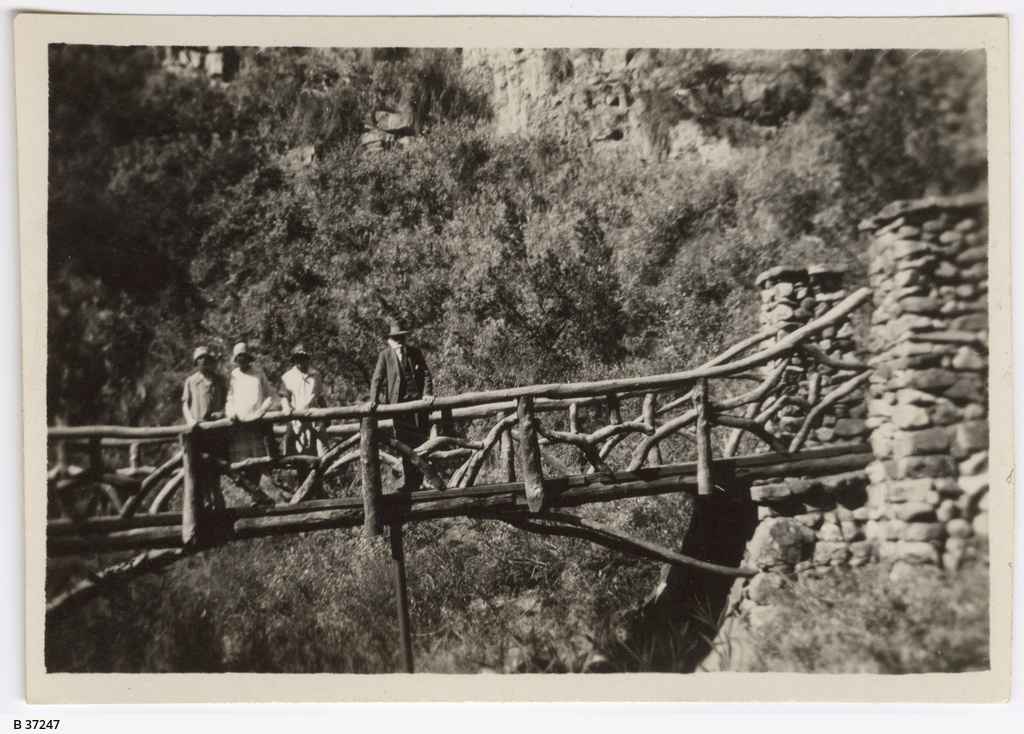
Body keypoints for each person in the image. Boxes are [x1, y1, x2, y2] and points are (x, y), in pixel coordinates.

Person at [367, 319, 435, 492]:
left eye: (402, 337)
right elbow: (377, 378)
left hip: (418, 406)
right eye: (395, 338)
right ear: (391, 338)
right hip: (398, 408)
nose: (399, 341)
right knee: (404, 444)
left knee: (420, 442)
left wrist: (427, 394)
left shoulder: (414, 353)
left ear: (405, 338)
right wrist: (373, 399)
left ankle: (419, 483)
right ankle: (410, 484)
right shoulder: (385, 355)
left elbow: (426, 374)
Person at [225, 342, 287, 506]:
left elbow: (269, 395)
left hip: (256, 421)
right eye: (239, 357)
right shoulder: (233, 375)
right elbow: (230, 398)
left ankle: (256, 497)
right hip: (240, 425)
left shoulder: (258, 373)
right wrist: (231, 413)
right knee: (243, 460)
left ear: (249, 357)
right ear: (236, 359)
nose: (242, 359)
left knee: (258, 458)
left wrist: (263, 410)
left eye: (244, 356)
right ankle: (256, 493)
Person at [181, 345, 228, 510]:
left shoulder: (220, 380)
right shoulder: (191, 381)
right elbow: (185, 404)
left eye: (207, 359)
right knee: (199, 466)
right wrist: (190, 421)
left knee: (215, 466)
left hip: (216, 431)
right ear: (196, 362)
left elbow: (227, 401)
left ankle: (217, 498)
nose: (204, 362)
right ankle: (206, 500)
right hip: (198, 430)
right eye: (201, 359)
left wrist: (222, 412)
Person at [279, 344, 329, 485]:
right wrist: (287, 407)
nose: (301, 362)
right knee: (300, 457)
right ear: (294, 361)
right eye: (298, 359)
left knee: (319, 455)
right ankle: (303, 493)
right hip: (298, 422)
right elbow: (284, 396)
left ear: (308, 359)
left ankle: (319, 490)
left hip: (314, 419)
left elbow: (319, 396)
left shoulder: (315, 375)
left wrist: (327, 414)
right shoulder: (287, 377)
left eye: (304, 358)